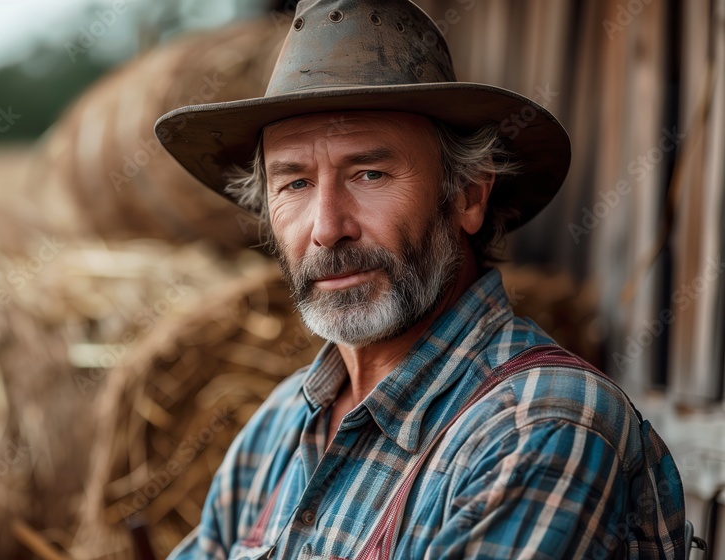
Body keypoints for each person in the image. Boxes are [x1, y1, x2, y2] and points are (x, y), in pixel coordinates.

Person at [154, 0, 687, 558]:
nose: (328, 229)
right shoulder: (276, 430)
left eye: (370, 173)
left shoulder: (541, 426)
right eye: (295, 184)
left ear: (468, 196)